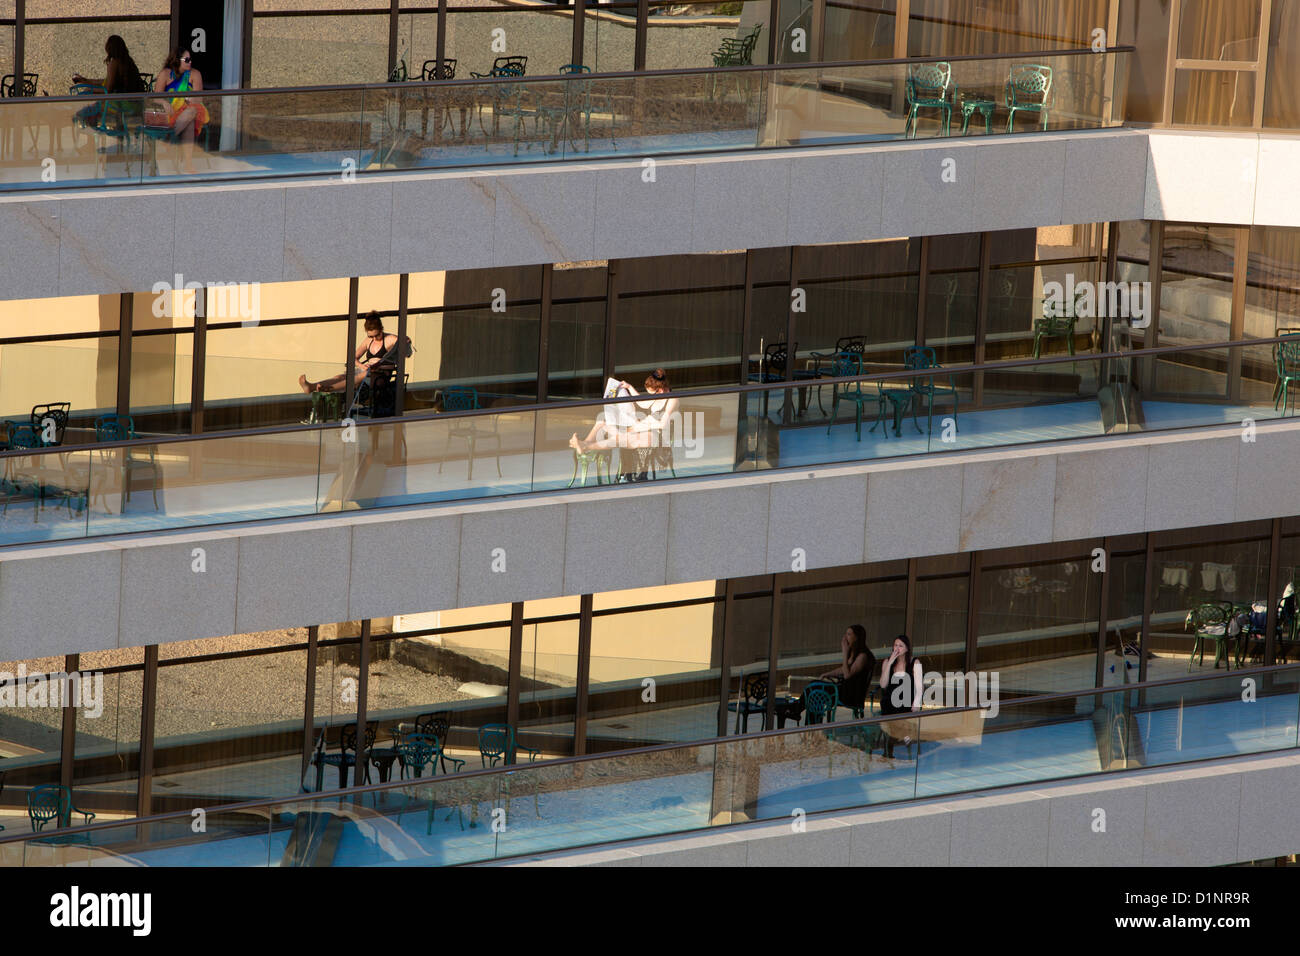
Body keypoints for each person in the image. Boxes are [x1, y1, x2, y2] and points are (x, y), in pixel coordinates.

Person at [570, 368, 679, 481]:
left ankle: (585, 447)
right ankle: (584, 443)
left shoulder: (672, 400)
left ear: (660, 390)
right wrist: (629, 387)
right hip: (644, 428)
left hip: (657, 436)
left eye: (651, 393)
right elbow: (642, 402)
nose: (649, 395)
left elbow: (662, 424)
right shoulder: (657, 396)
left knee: (619, 439)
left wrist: (641, 425)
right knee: (602, 422)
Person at [299, 312, 408, 395]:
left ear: (381, 330)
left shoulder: (389, 339)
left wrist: (405, 340)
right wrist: (361, 365)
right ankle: (312, 387)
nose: (374, 338)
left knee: (360, 375)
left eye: (377, 335)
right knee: (341, 376)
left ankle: (328, 388)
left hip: (381, 373)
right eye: (371, 336)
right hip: (367, 371)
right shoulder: (368, 341)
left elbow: (405, 342)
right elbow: (353, 358)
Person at [152, 48, 207, 174]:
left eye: (190, 59)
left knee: (191, 113)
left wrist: (188, 99)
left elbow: (199, 99)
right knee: (189, 123)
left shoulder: (195, 74)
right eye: (186, 60)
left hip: (189, 110)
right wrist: (164, 103)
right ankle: (188, 164)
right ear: (177, 60)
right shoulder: (166, 74)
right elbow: (156, 97)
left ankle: (168, 137)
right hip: (170, 113)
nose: (190, 62)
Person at [73, 35, 145, 126]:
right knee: (92, 107)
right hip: (138, 105)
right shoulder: (129, 62)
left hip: (123, 106)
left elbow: (107, 89)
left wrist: (90, 90)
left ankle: (91, 135)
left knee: (85, 111)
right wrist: (84, 80)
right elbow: (107, 81)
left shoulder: (114, 63)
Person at [878, 633, 923, 757]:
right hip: (890, 700)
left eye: (901, 646)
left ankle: (894, 742)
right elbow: (883, 684)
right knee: (891, 709)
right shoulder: (887, 662)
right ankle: (902, 737)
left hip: (907, 700)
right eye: (895, 645)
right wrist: (889, 663)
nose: (897, 648)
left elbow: (919, 687)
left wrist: (917, 702)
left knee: (902, 710)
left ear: (907, 648)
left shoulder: (915, 662)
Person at [820, 624, 876, 716]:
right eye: (846, 634)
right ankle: (800, 711)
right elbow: (843, 669)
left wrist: (845, 653)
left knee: (815, 689)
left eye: (849, 634)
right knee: (813, 686)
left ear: (857, 637)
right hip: (844, 689)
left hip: (851, 695)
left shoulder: (863, 656)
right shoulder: (854, 652)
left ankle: (800, 713)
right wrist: (827, 674)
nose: (845, 637)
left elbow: (847, 675)